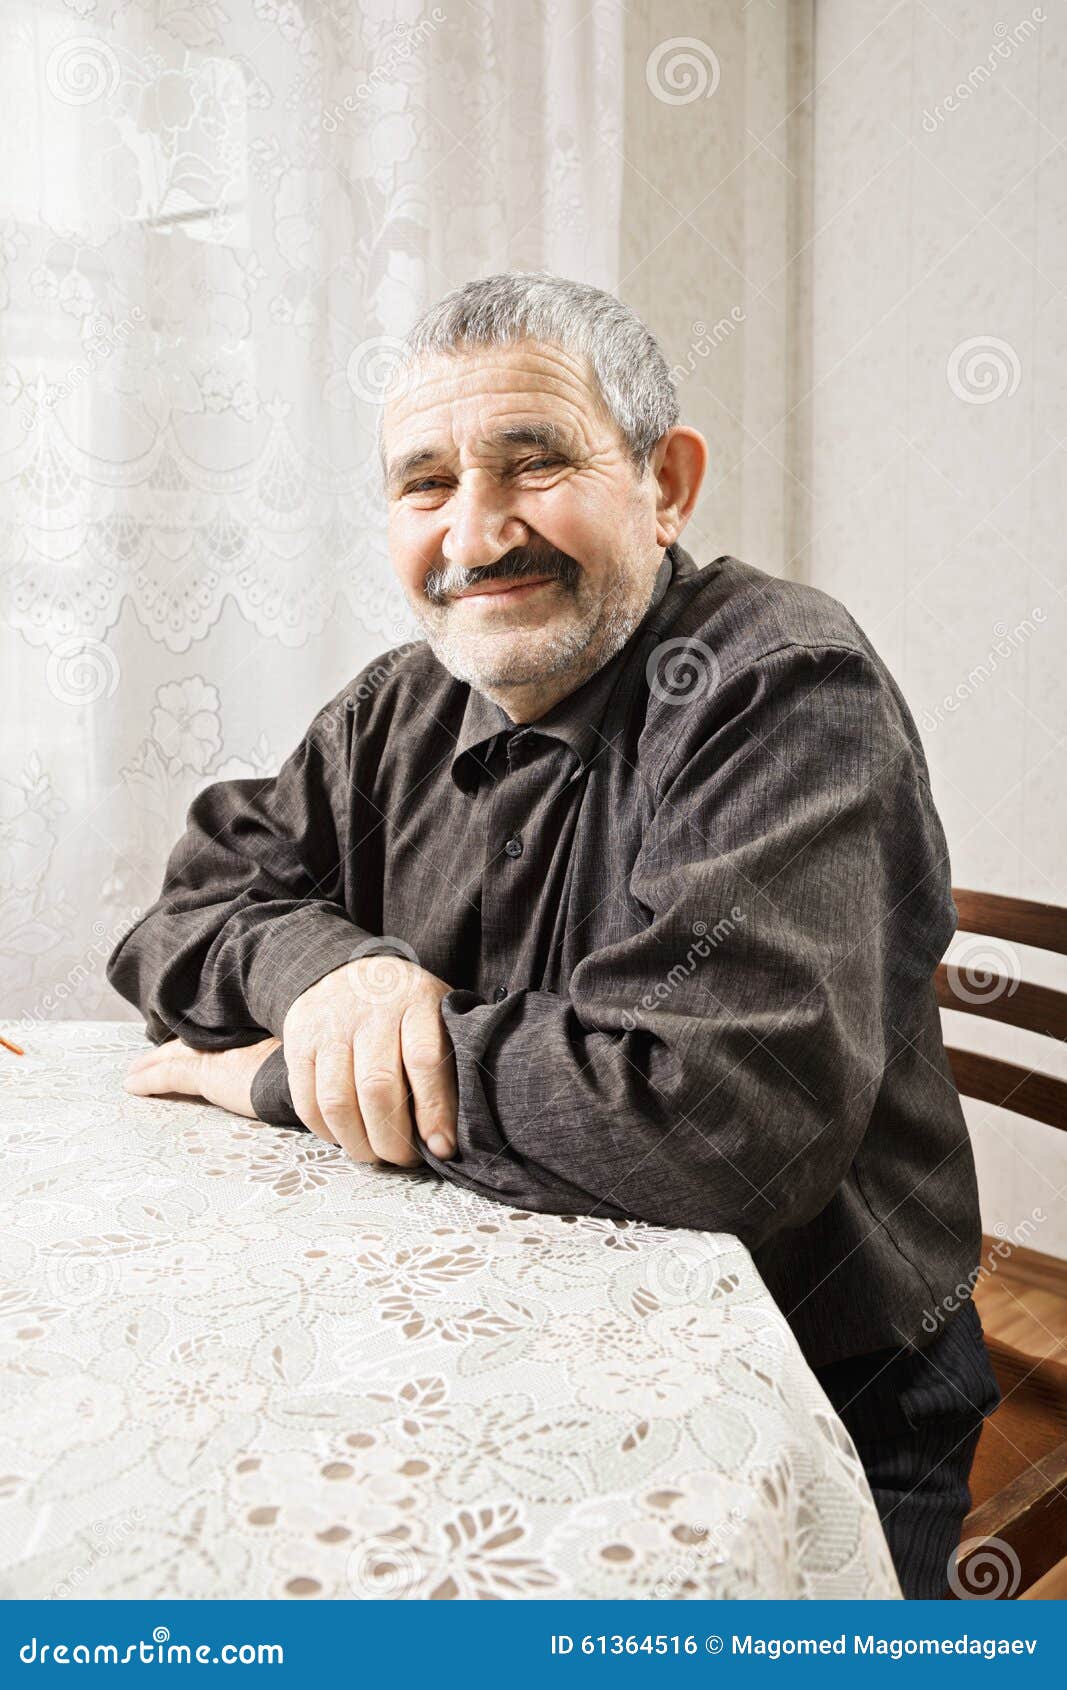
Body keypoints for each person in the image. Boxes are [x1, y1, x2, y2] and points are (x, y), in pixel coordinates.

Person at [107, 270, 999, 1598]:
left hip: (813, 1400)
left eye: (535, 462)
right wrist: (336, 973)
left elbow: (710, 1118)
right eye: (425, 483)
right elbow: (182, 912)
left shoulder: (787, 686)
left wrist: (284, 1075)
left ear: (666, 483)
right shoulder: (395, 707)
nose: (477, 530)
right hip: (484, 1356)